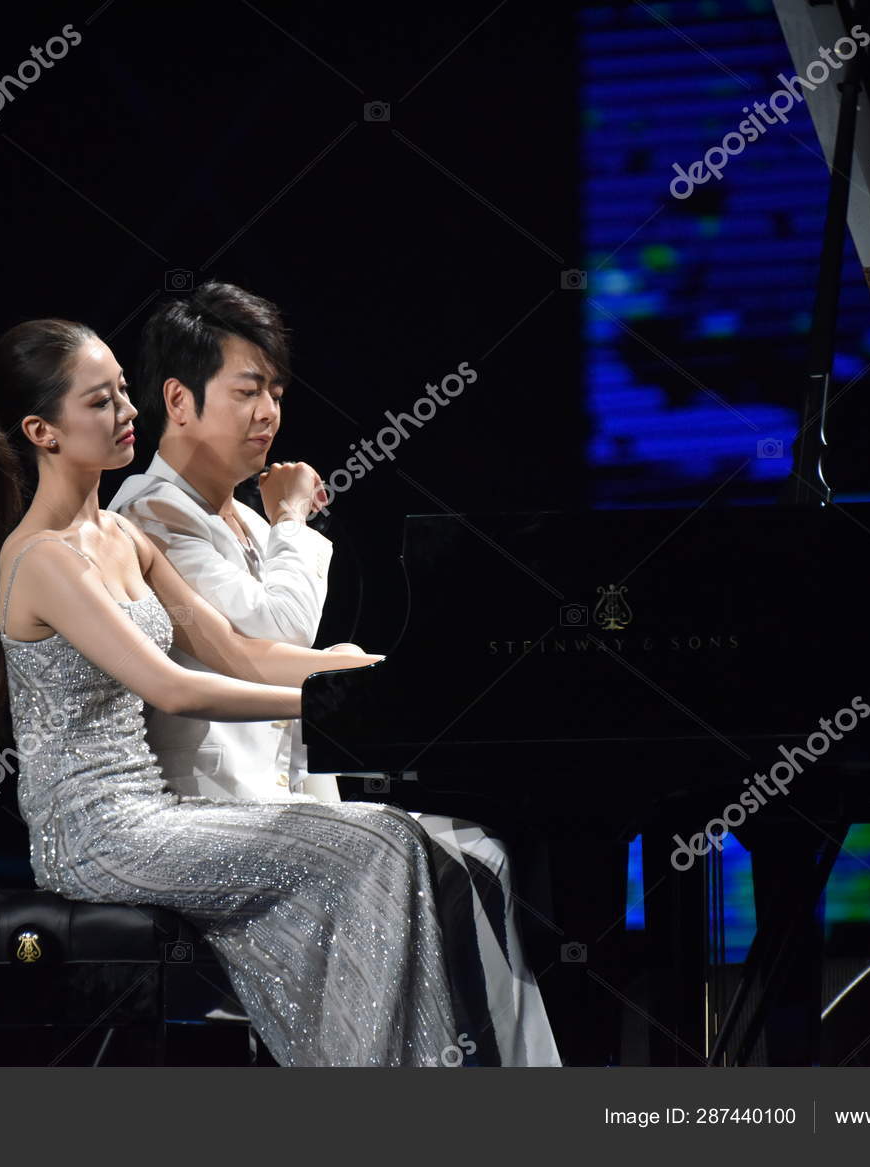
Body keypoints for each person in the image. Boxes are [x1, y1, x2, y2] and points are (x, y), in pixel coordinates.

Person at [0, 317, 510, 1066]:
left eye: (123, 392)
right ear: (41, 430)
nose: (126, 413)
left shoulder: (124, 540)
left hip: (153, 811)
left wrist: (375, 670)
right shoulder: (43, 558)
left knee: (389, 836)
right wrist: (336, 705)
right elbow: (175, 688)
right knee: (377, 841)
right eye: (100, 402)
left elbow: (238, 651)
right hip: (94, 836)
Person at [108, 282, 561, 1066]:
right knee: (454, 866)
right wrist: (292, 521)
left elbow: (278, 647)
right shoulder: (150, 512)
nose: (268, 414)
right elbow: (267, 635)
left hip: (281, 802)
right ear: (179, 400)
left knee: (481, 855)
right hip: (208, 815)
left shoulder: (243, 518)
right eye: (248, 391)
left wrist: (374, 667)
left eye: (276, 393)